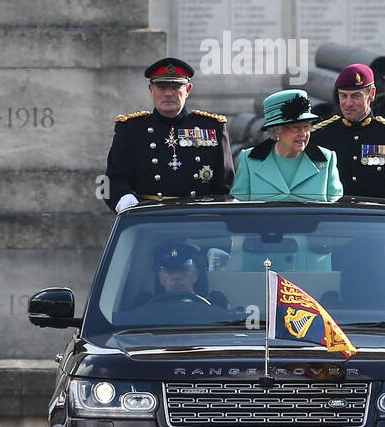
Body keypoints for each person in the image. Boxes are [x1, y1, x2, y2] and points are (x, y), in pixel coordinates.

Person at [105, 57, 233, 212]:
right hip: (148, 218)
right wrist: (126, 202)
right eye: (161, 86)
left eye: (175, 86)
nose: (168, 93)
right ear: (151, 89)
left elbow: (225, 184)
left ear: (188, 90)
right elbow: (113, 180)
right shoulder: (130, 129)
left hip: (198, 219)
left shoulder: (212, 127)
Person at [311, 63, 385, 213]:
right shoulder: (321, 135)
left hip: (373, 222)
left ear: (372, 94)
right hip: (330, 221)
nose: (348, 103)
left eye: (356, 96)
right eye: (343, 95)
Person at [232, 90, 343, 202]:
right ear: (276, 131)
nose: (303, 134)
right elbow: (239, 208)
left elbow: (335, 210)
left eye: (306, 126)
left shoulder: (326, 160)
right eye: (295, 127)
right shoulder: (250, 160)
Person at [122, 241, 231, 312]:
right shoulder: (142, 310)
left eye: (184, 270)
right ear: (161, 278)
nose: (177, 276)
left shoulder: (216, 306)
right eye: (170, 271)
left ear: (196, 275)